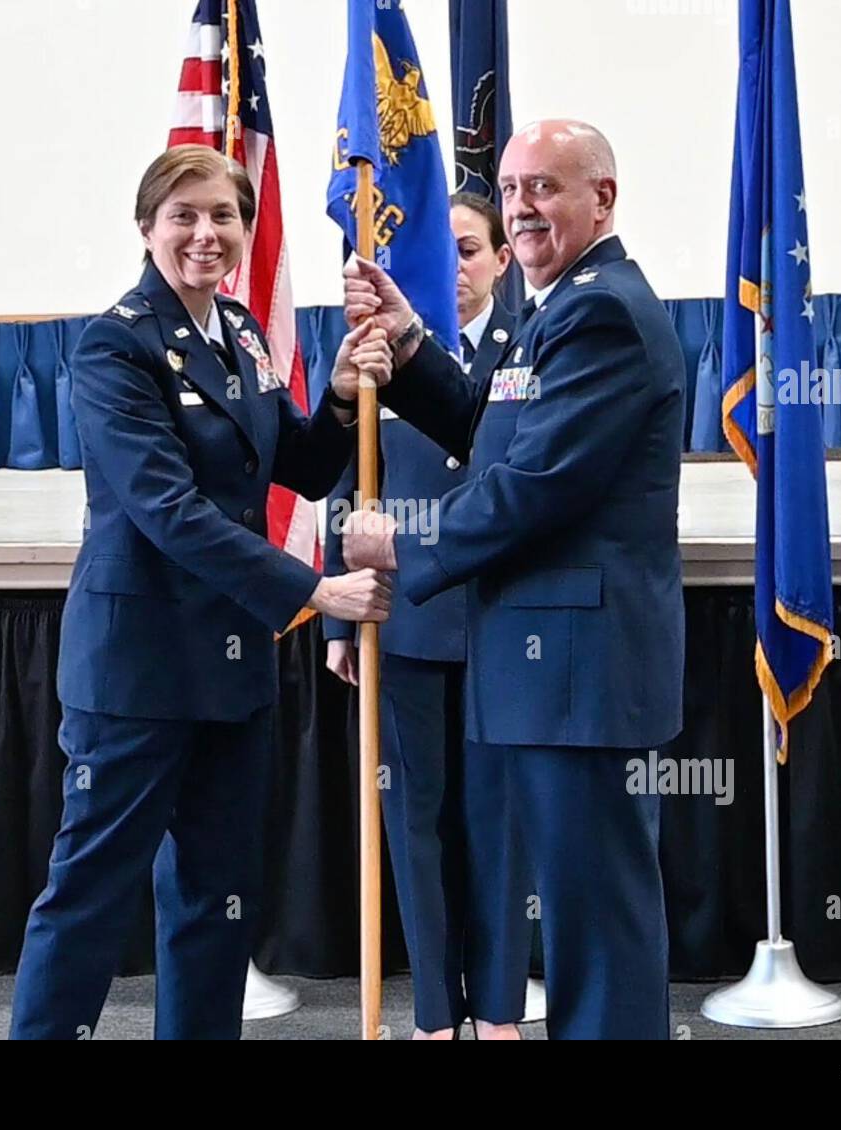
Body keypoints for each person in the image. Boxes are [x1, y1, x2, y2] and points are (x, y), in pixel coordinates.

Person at [10, 145, 393, 1040]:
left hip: (229, 667)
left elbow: (289, 465)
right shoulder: (115, 344)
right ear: (147, 228)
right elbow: (168, 511)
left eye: (224, 215)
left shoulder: (243, 333)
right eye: (183, 215)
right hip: (137, 675)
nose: (205, 234)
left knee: (217, 900)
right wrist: (314, 592)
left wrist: (338, 401)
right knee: (92, 898)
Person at [341, 120, 685, 1040]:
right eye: (514, 187)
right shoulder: (556, 306)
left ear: (602, 198)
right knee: (582, 918)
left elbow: (536, 489)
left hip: (579, 672)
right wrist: (412, 346)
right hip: (551, 673)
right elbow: (486, 433)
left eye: (547, 187)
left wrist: (399, 550)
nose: (524, 205)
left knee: (597, 927)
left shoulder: (599, 311)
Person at [324, 194, 531, 1040]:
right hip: (405, 621)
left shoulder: (528, 352)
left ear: (500, 261)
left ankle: (500, 1009)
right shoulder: (377, 362)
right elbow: (346, 483)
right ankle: (438, 1016)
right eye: (438, 251)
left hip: (495, 620)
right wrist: (340, 622)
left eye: (469, 250)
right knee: (416, 823)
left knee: (498, 825)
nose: (453, 267)